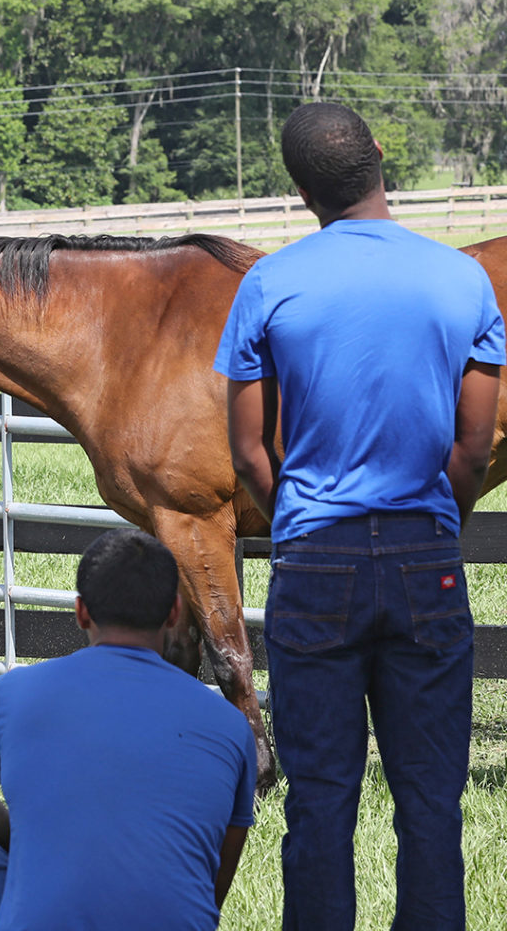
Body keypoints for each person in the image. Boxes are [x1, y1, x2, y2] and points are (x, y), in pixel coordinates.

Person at [215, 102, 506, 930]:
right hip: (426, 555)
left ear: (300, 188)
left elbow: (246, 452)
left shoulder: (269, 282)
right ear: (380, 157)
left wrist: (300, 522)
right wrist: (430, 519)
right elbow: (475, 445)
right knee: (431, 804)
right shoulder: (462, 279)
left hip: (313, 558)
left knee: (318, 802)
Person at [0, 527, 257, 931]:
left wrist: (28, 838)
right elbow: (210, 885)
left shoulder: (13, 694)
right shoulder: (232, 728)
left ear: (81, 612)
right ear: (173, 613)